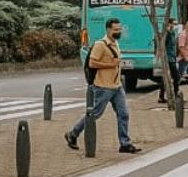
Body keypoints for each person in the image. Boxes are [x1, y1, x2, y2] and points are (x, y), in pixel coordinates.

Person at [65, 17, 141, 154]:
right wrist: (110, 65)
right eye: (115, 29)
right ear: (108, 29)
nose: (118, 32)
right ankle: (73, 133)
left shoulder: (115, 43)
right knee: (95, 114)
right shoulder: (101, 45)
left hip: (117, 86)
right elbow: (92, 63)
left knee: (123, 114)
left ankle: (125, 143)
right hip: (103, 86)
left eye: (119, 29)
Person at [157, 17, 181, 104]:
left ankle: (163, 95)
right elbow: (163, 46)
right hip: (168, 59)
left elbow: (174, 45)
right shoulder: (166, 34)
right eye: (173, 24)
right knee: (175, 77)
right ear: (169, 24)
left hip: (172, 58)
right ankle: (174, 95)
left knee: (167, 77)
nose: (174, 25)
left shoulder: (172, 33)